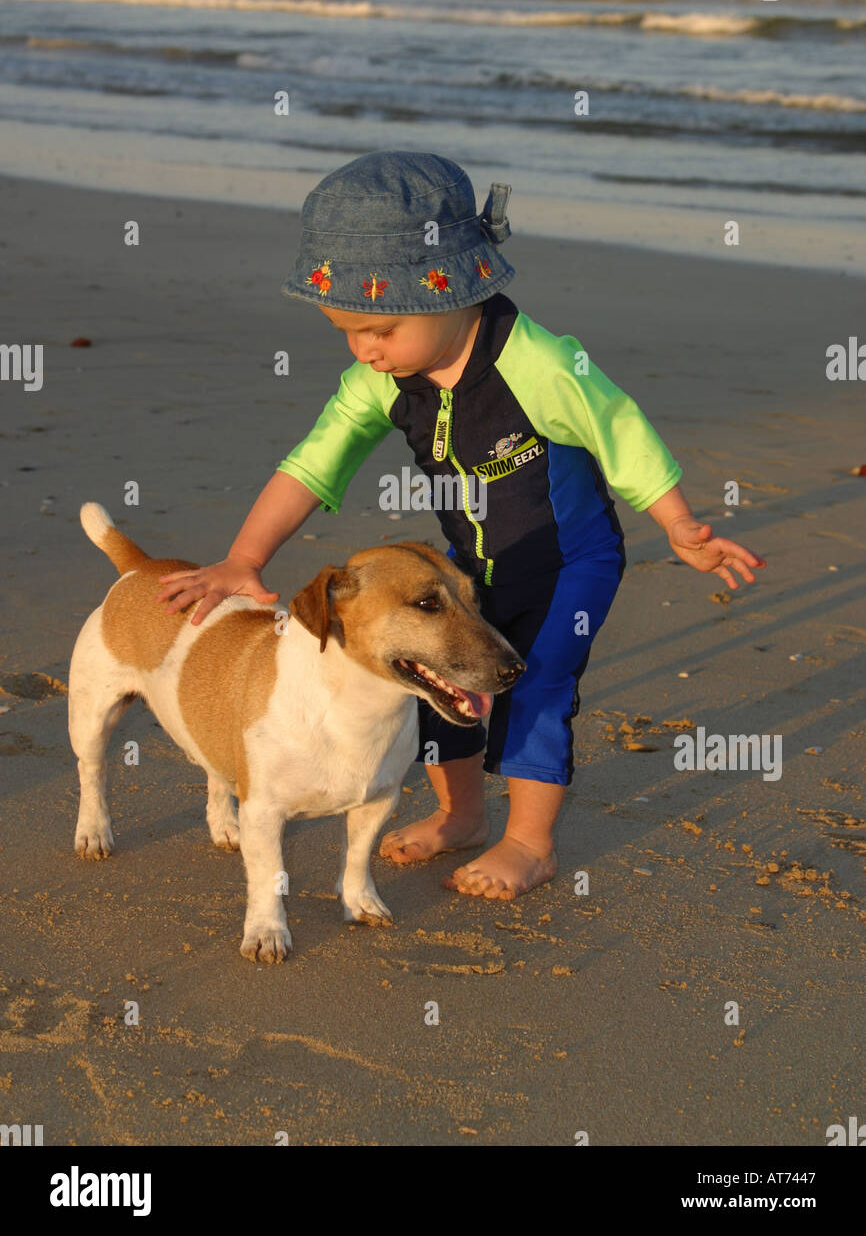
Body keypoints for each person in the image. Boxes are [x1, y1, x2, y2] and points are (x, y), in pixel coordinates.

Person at [156, 150, 765, 901]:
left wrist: (677, 520)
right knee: (441, 683)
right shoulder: (383, 380)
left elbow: (617, 427)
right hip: (465, 566)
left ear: (450, 293)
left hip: (569, 561)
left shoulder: (536, 362)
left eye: (378, 328)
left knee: (535, 685)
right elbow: (312, 463)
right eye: (346, 331)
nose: (364, 349)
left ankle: (530, 843)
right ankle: (462, 814)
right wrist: (243, 557)